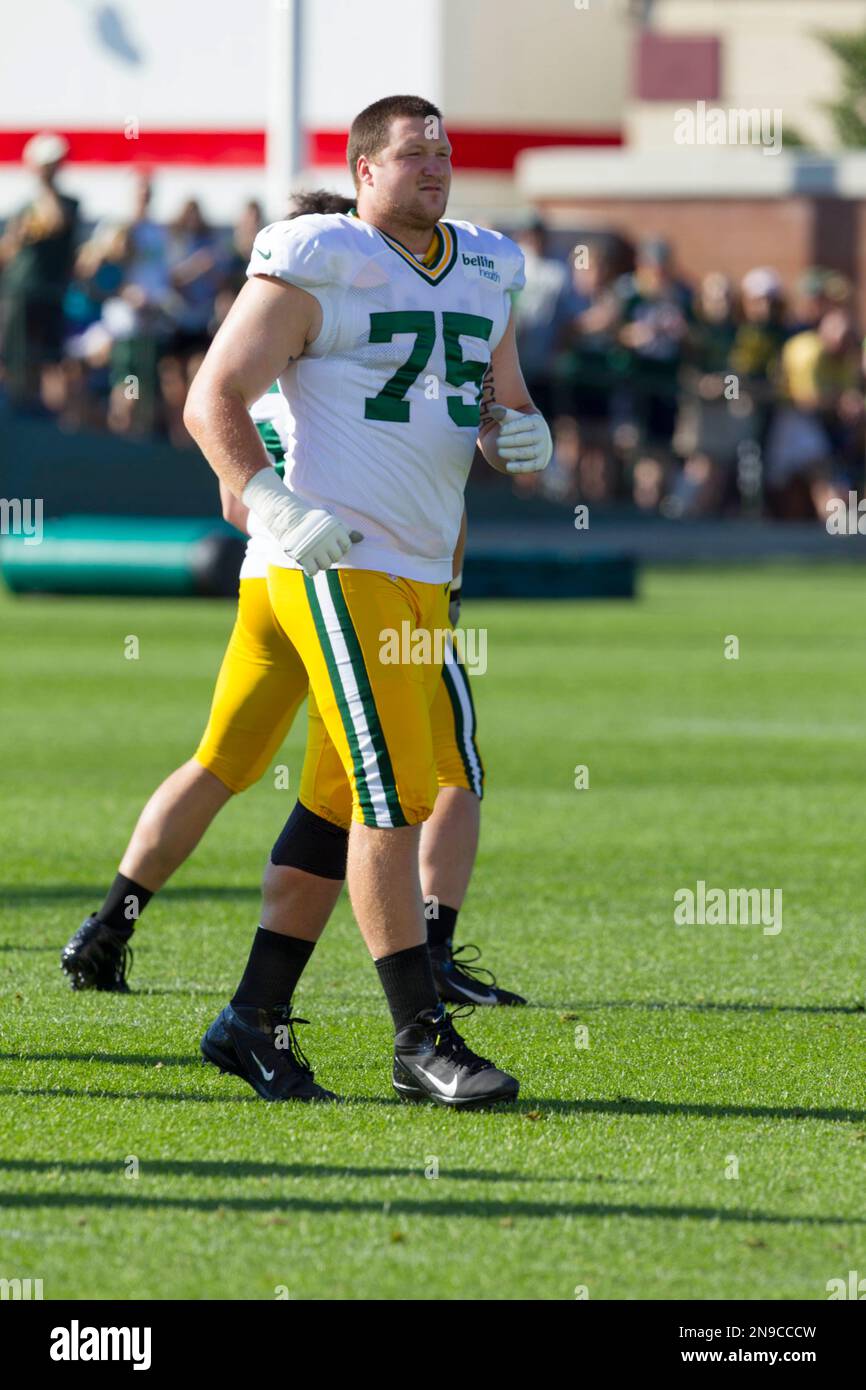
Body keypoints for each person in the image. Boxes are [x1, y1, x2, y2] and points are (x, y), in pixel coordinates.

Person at [182, 95, 551, 1107]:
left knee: (339, 798)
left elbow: (496, 398)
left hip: (425, 566)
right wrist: (266, 497)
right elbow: (212, 394)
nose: (432, 169)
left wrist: (521, 437)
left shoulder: (485, 263)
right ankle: (417, 1038)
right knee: (393, 796)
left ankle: (249, 1018)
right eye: (410, 155)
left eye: (441, 154)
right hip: (336, 558)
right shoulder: (319, 257)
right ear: (360, 170)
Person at [0, 132, 79, 407]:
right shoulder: (21, 208)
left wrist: (45, 185)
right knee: (16, 358)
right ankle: (18, 409)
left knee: (48, 361)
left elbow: (56, 219)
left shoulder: (68, 202)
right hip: (19, 293)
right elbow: (7, 253)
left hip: (49, 294)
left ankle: (50, 420)